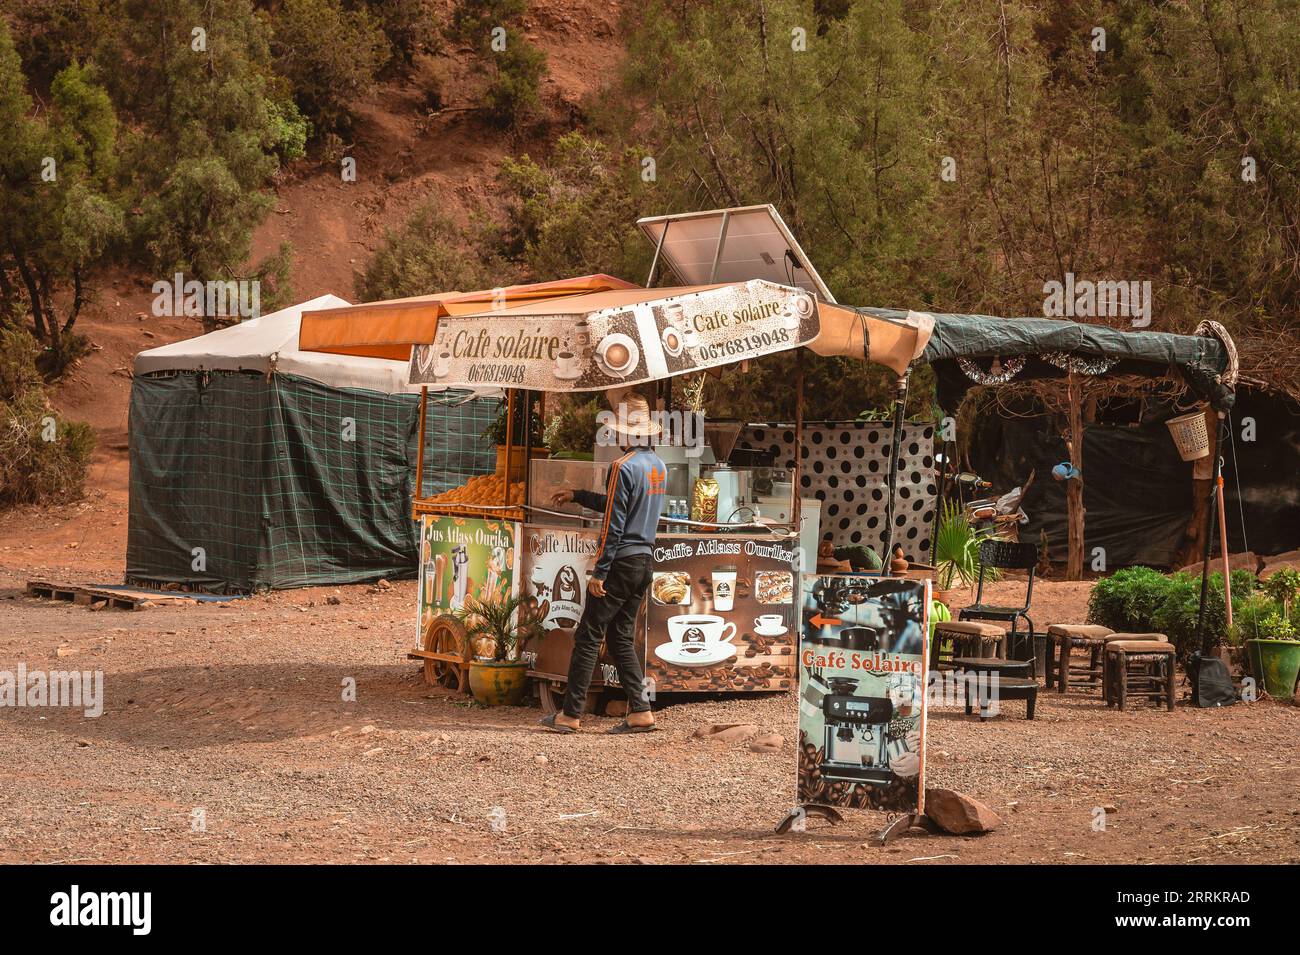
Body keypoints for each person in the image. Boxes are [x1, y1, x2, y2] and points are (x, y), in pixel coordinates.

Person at [540, 394, 666, 734]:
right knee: (621, 637)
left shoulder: (622, 467)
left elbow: (614, 521)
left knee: (587, 635)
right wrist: (578, 495)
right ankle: (640, 710)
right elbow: (620, 506)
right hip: (644, 563)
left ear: (627, 434)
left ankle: (570, 714)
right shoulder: (658, 467)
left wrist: (600, 571)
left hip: (620, 563)